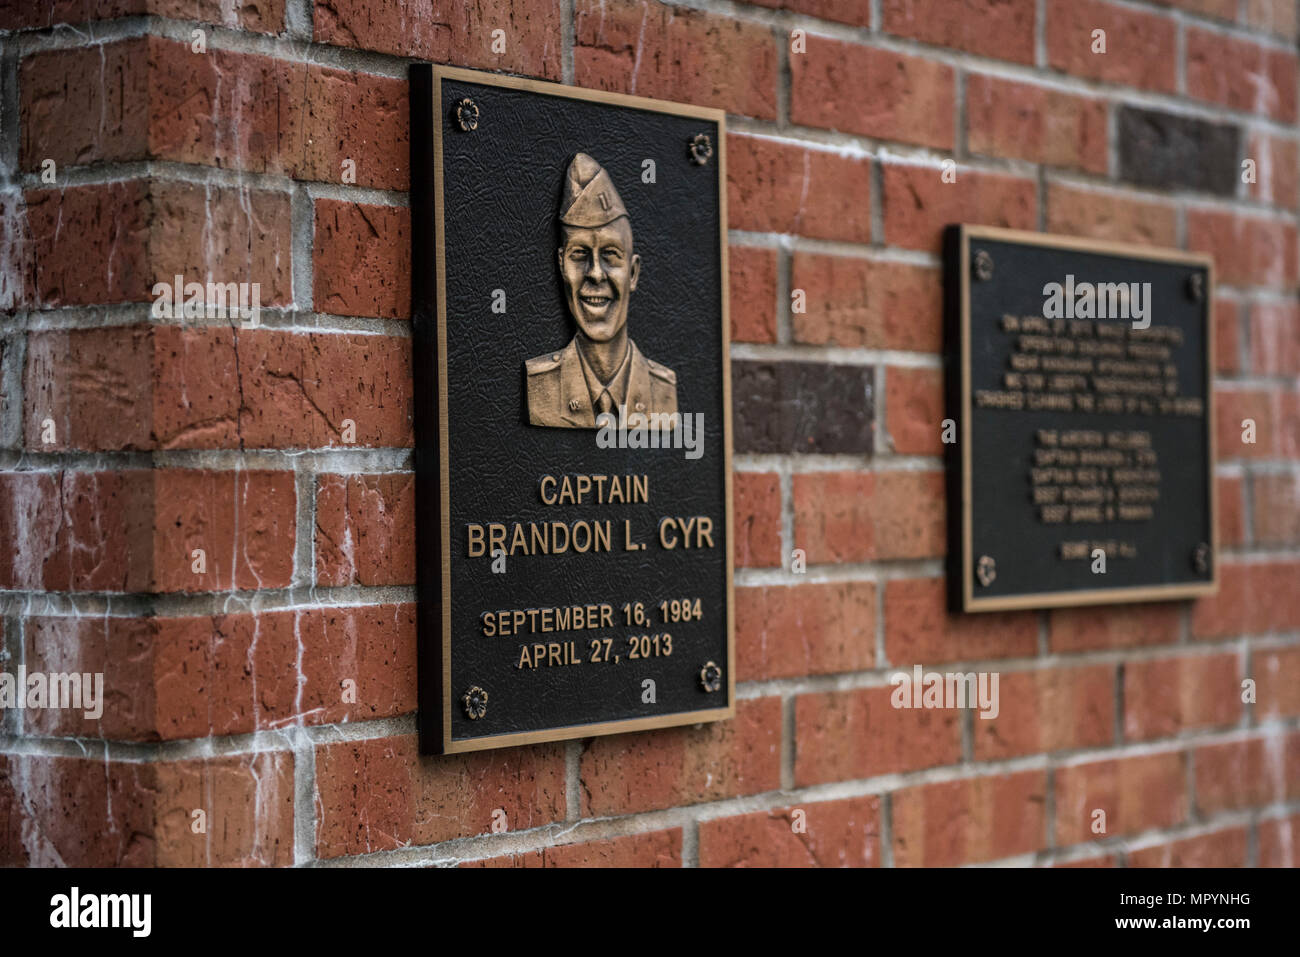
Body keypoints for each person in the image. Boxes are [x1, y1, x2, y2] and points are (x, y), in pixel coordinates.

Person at [526, 152, 678, 429]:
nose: (595, 273)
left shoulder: (664, 393)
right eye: (579, 254)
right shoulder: (540, 386)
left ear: (633, 273)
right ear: (561, 266)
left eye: (610, 254)